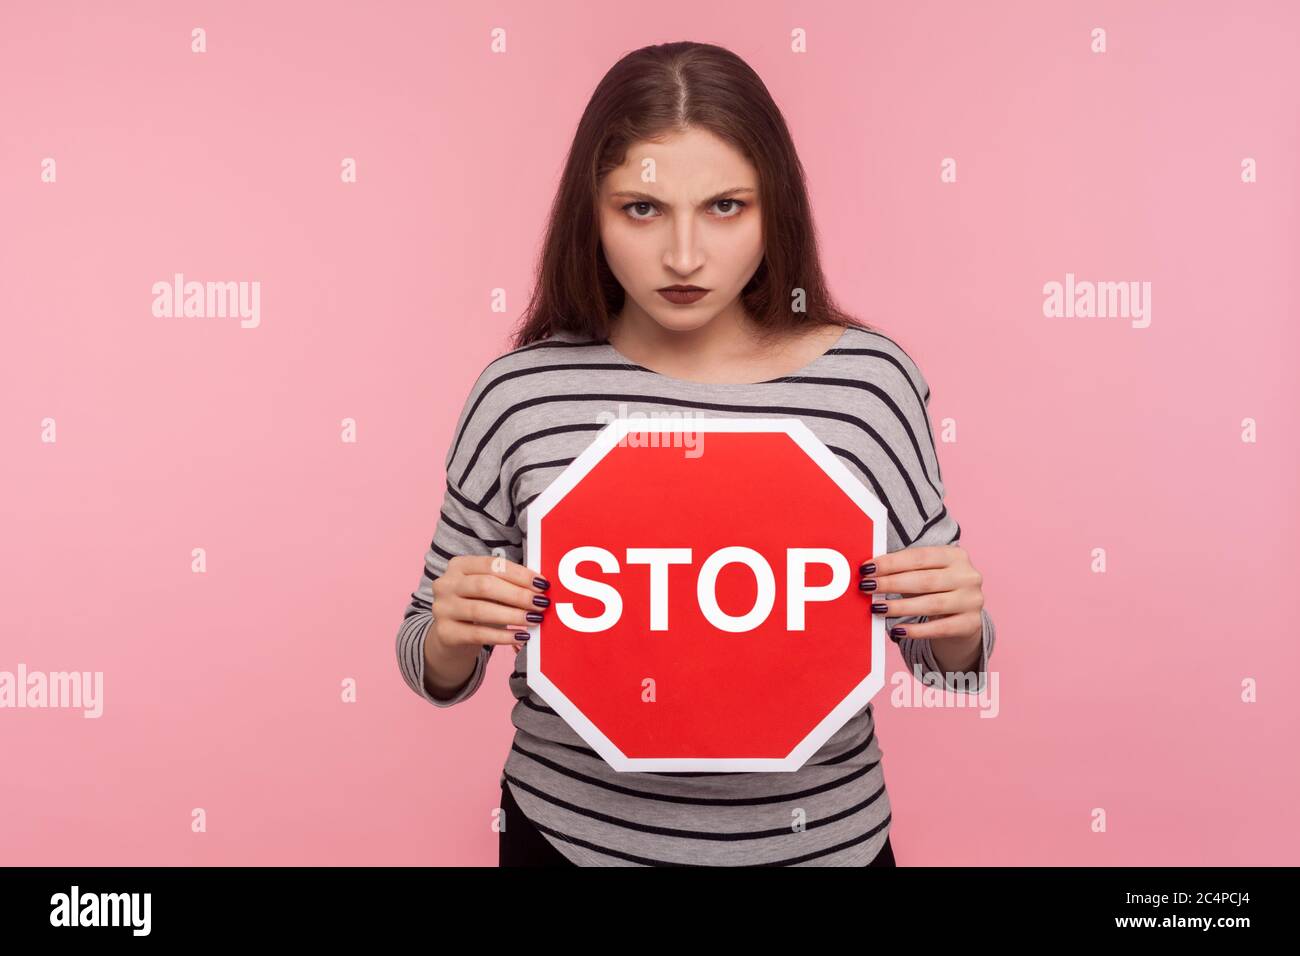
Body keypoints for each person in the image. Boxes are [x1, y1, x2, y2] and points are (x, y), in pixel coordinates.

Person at [396, 41, 995, 867]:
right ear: (591, 211)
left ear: (773, 208)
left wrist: (959, 630)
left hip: (824, 849)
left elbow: (948, 663)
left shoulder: (869, 383)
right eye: (641, 209)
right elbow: (425, 652)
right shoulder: (520, 393)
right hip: (568, 843)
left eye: (725, 206)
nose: (684, 256)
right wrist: (452, 633)